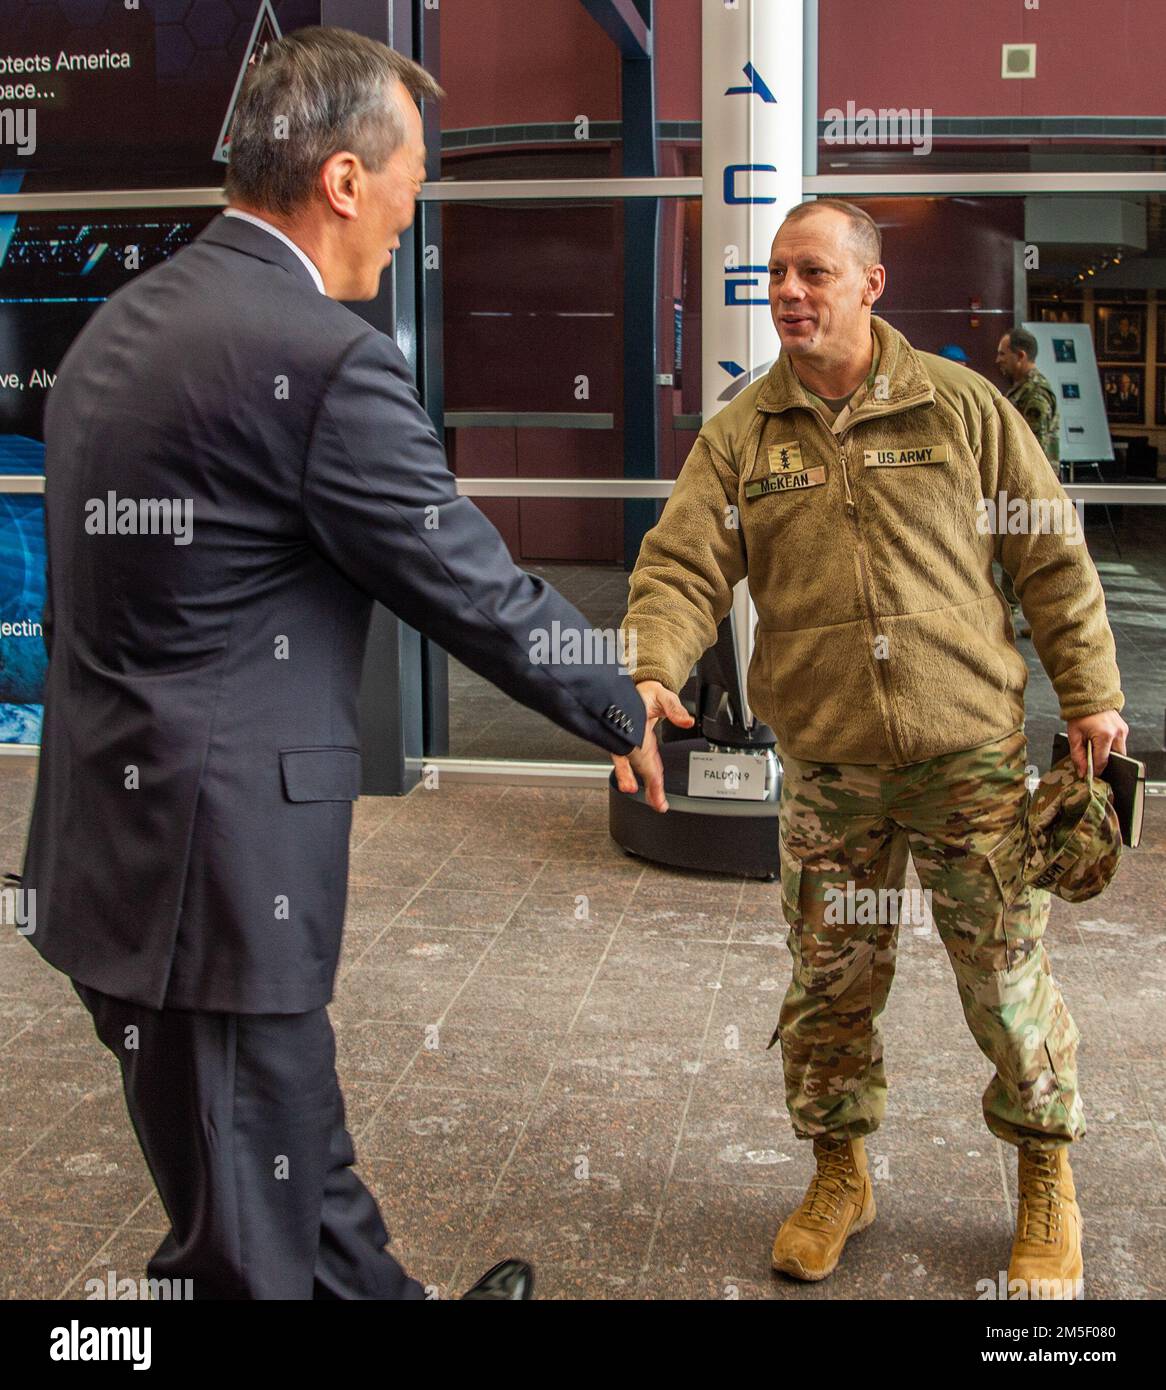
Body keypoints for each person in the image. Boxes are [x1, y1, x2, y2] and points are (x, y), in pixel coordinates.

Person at [19, 27, 671, 1301]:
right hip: (209, 892)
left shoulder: (122, 323)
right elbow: (464, 580)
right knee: (245, 1248)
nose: (410, 217)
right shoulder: (320, 363)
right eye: (410, 185)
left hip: (113, 859)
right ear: (340, 181)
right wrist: (609, 693)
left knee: (288, 1168)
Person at [613, 199, 1128, 1296]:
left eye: (811, 272)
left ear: (868, 284)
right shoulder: (744, 433)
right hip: (831, 771)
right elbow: (679, 565)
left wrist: (1088, 691)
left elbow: (1049, 556)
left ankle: (1045, 1182)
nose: (788, 292)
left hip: (968, 758)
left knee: (1001, 979)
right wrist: (653, 666)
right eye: (773, 276)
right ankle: (837, 1172)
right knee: (829, 984)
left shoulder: (960, 408)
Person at [995, 326, 1061, 637]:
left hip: (1032, 487)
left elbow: (1033, 445)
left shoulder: (1035, 392)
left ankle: (1029, 619)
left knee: (1031, 556)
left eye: (1003, 354)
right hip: (1020, 485)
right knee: (1017, 552)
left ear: (1021, 356)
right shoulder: (1021, 389)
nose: (999, 360)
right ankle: (1018, 616)